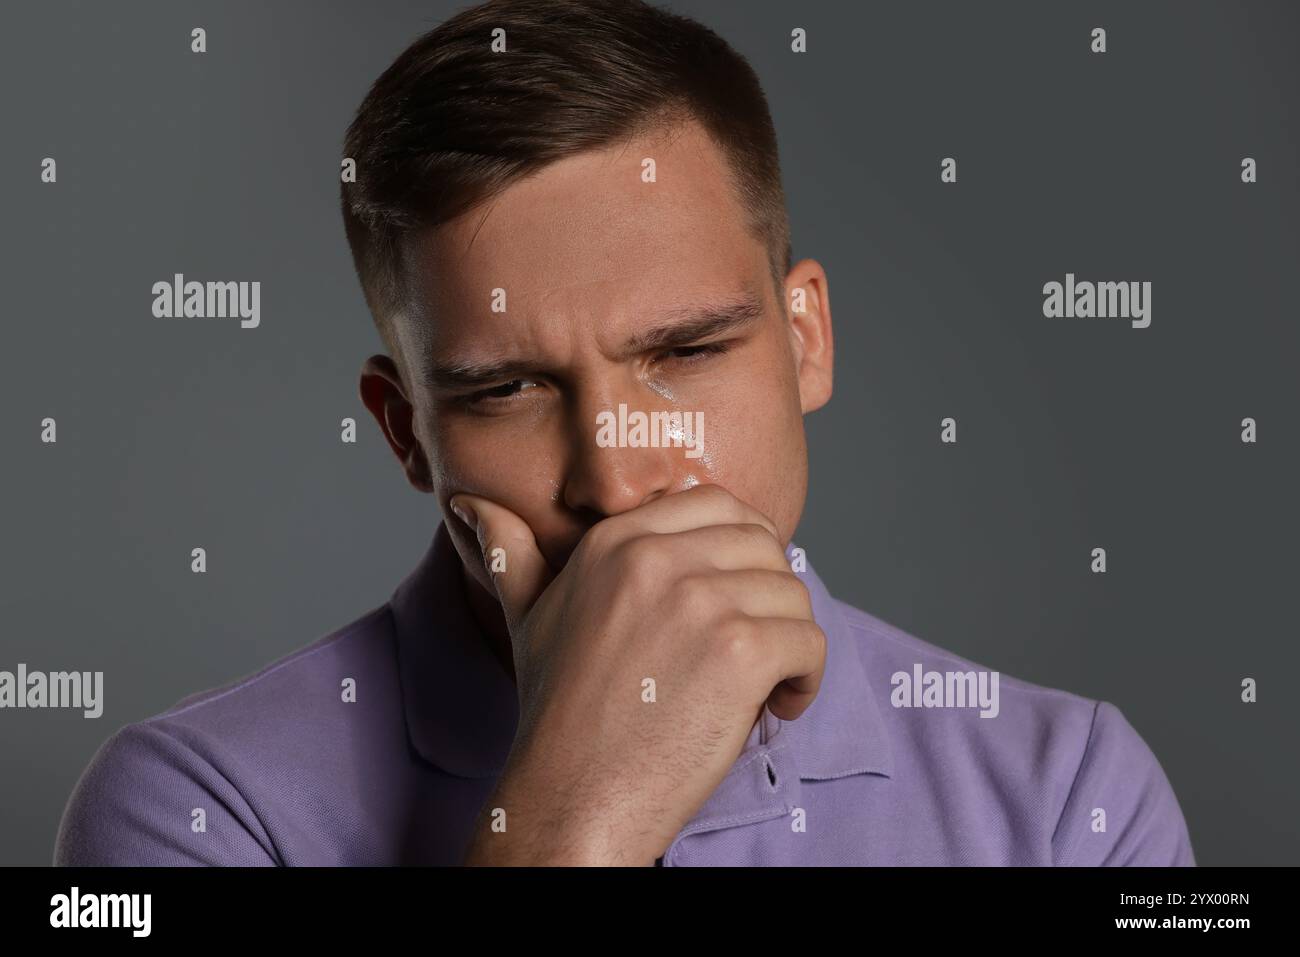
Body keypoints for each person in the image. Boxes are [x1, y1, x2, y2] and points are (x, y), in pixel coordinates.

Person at [54, 0, 1194, 866]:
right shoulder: (194, 809)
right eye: (506, 389)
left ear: (806, 340)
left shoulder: (1067, 799)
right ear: (407, 433)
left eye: (687, 353)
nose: (614, 474)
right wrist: (571, 814)